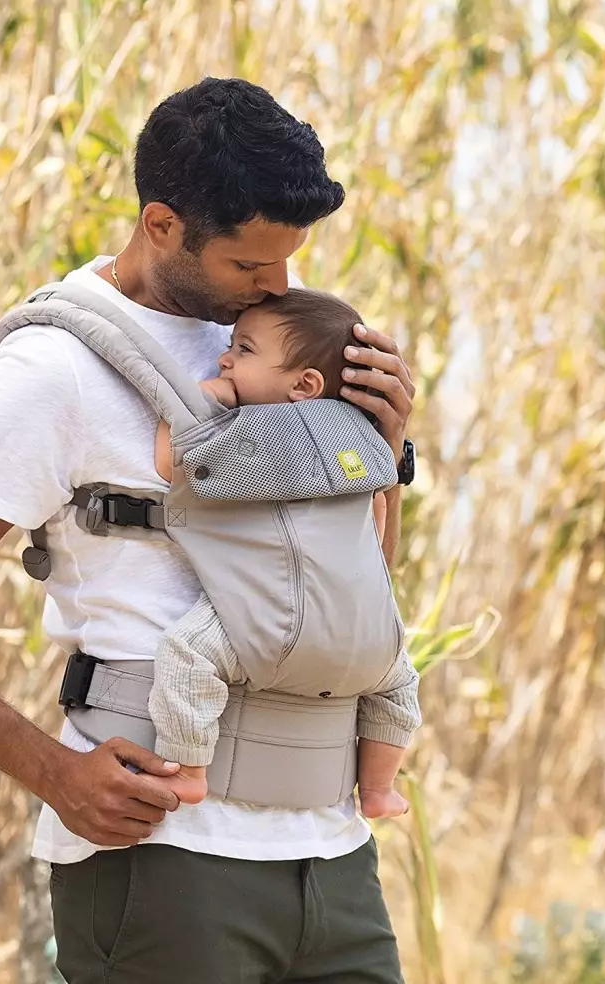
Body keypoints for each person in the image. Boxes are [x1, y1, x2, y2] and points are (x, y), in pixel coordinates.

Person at [0, 77, 417, 983]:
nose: (277, 287)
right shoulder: (53, 372)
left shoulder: (293, 347)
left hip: (333, 854)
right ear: (160, 224)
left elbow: (354, 594)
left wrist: (380, 457)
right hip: (167, 862)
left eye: (289, 261)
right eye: (248, 267)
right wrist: (52, 774)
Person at [149, 286, 422, 818]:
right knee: (399, 685)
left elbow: (173, 462)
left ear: (304, 385)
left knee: (186, 655)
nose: (225, 358)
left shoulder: (259, 434)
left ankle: (188, 768)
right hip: (364, 637)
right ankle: (379, 788)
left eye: (244, 350)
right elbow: (377, 532)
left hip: (266, 623)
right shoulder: (366, 439)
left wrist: (203, 396)